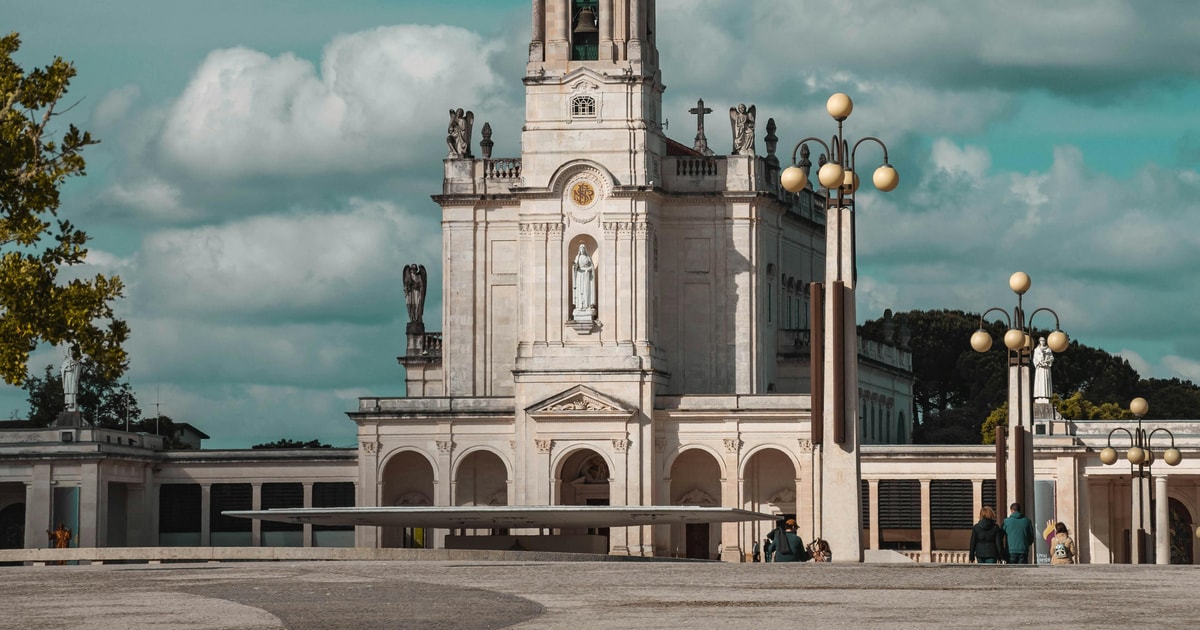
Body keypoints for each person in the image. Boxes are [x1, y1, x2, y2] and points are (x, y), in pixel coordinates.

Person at [571, 244, 595, 318]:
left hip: (586, 275)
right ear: (579, 250)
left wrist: (588, 269)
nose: (582, 250)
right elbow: (575, 267)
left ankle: (587, 306)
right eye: (581, 248)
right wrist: (574, 266)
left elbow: (592, 267)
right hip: (579, 275)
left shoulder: (588, 258)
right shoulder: (577, 258)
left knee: (586, 290)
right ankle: (579, 306)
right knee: (579, 291)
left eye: (583, 248)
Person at [61, 346, 82, 412]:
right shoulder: (66, 361)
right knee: (68, 390)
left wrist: (74, 367)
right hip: (67, 376)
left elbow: (78, 369)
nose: (71, 352)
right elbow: (62, 369)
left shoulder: (76, 361)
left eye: (72, 351)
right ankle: (68, 403)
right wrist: (67, 369)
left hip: (73, 376)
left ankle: (73, 403)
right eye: (69, 351)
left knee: (72, 390)